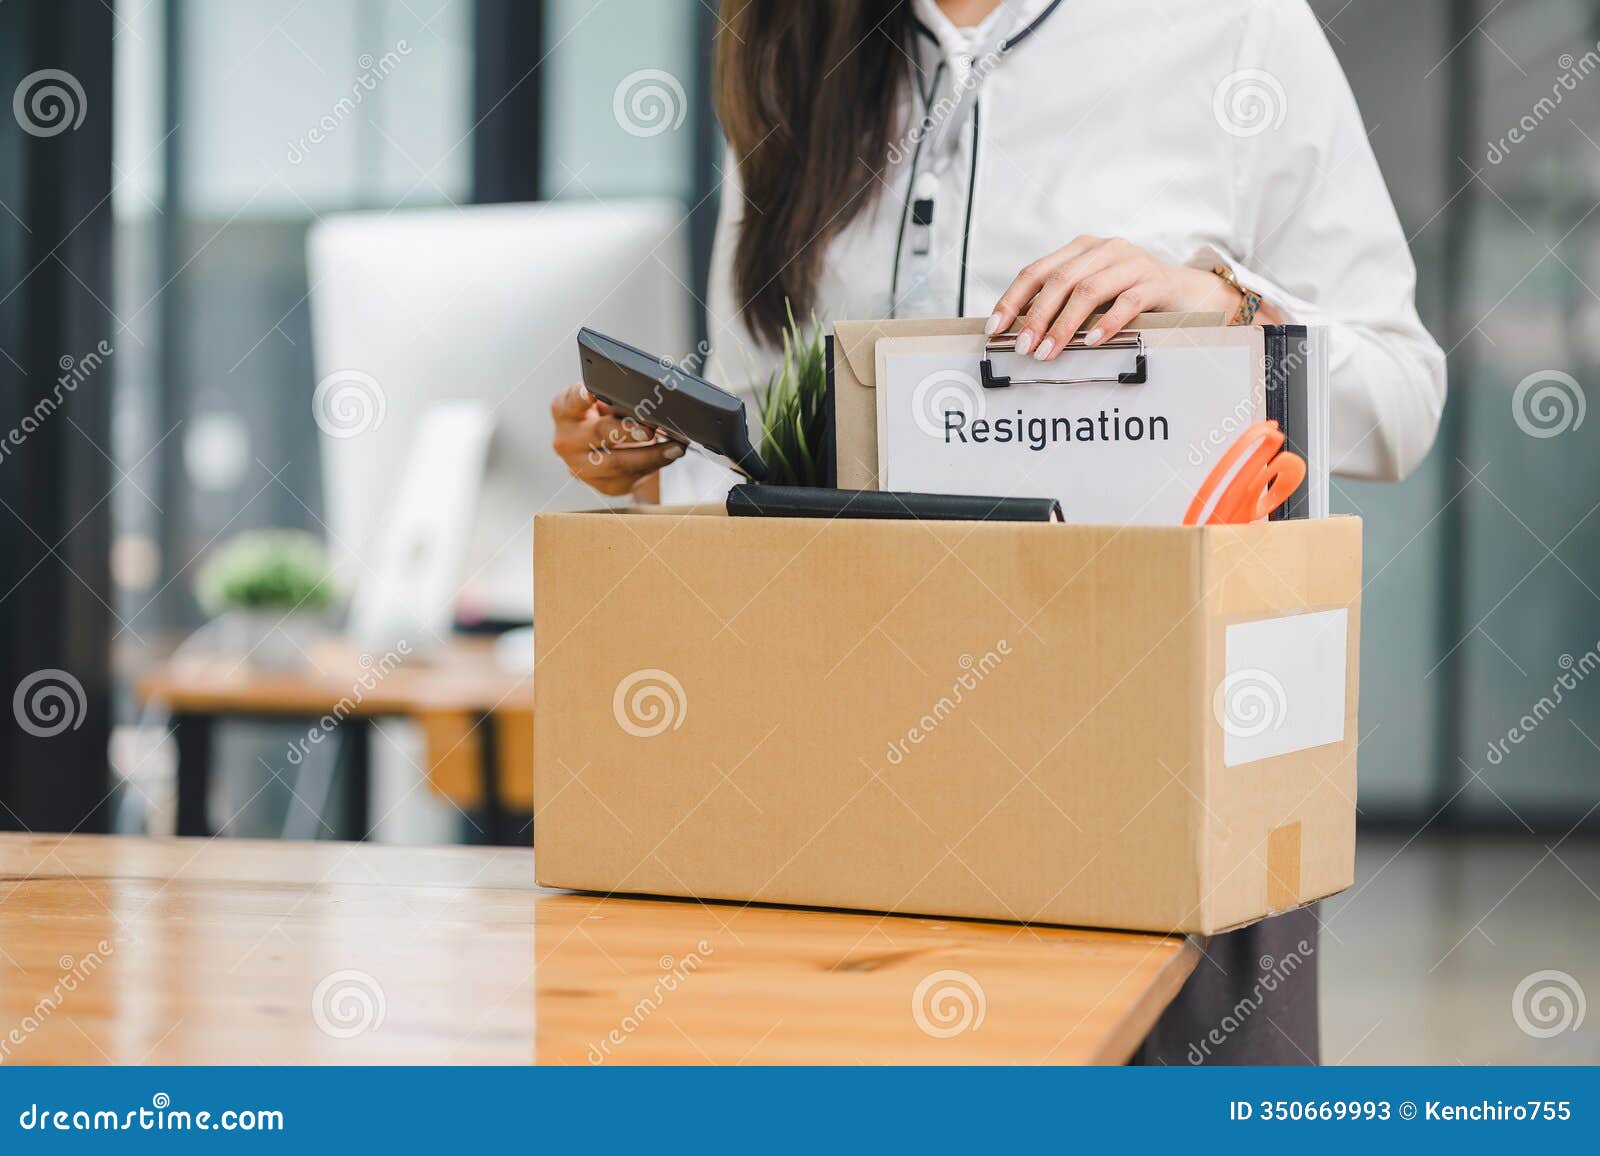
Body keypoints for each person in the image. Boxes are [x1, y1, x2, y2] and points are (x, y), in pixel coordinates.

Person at [551, 0, 1445, 1063]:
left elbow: (1401, 400)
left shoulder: (1236, 27)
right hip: (847, 772)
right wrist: (651, 468)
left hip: (1155, 763)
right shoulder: (795, 39)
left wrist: (1217, 304)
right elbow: (768, 424)